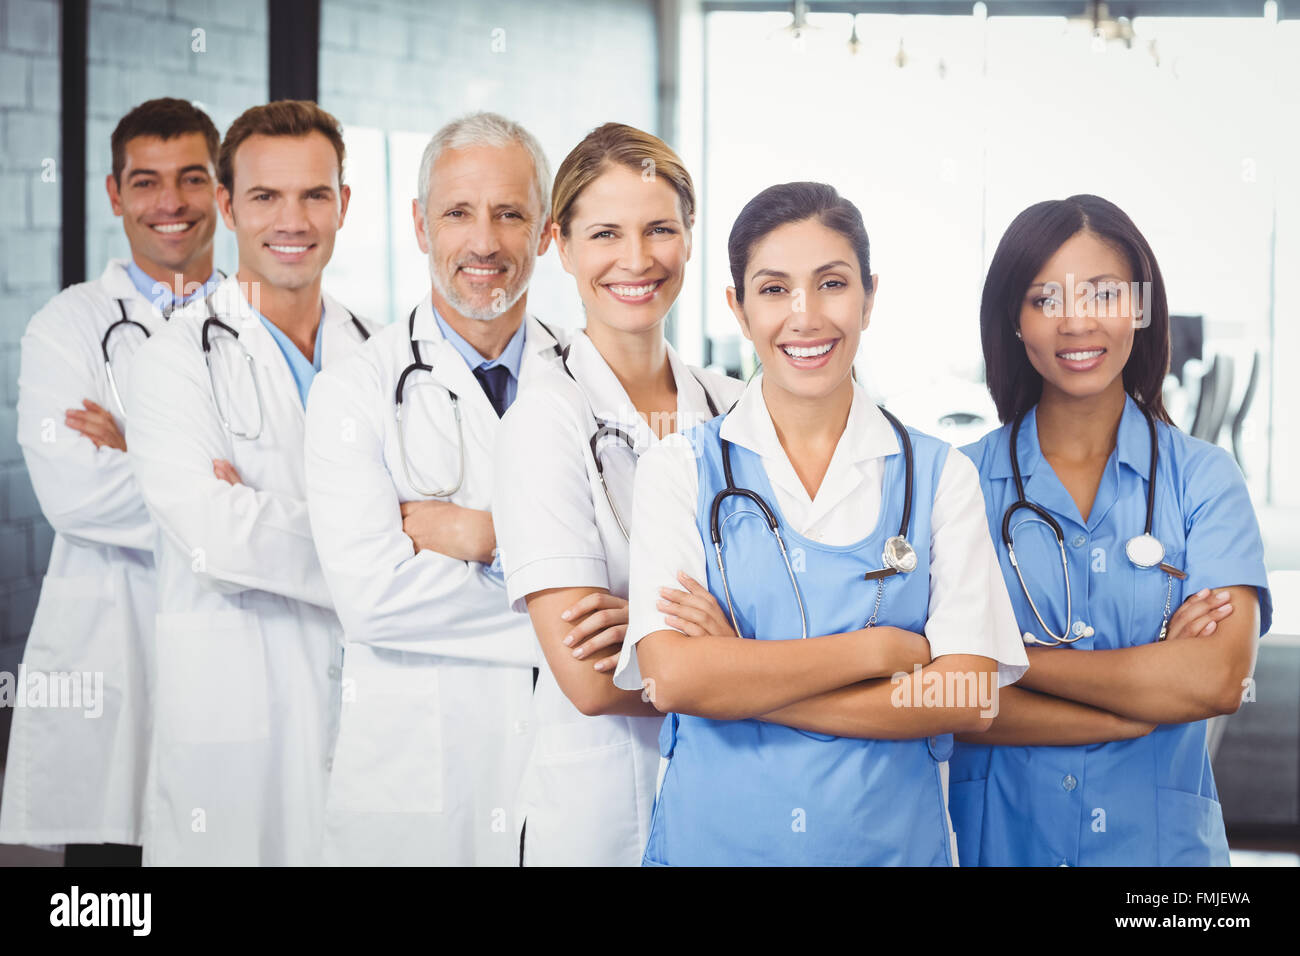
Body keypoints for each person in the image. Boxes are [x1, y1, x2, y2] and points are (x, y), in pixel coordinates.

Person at [620, 182, 1028, 866]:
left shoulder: (938, 477)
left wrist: (742, 681)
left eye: (831, 284)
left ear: (869, 297)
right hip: (715, 848)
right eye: (774, 289)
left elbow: (967, 694)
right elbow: (676, 680)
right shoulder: (678, 470)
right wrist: (874, 654)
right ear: (738, 310)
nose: (804, 317)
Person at [948, 194, 1272, 867]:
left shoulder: (1204, 481)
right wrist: (1146, 693)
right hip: (1003, 846)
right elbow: (951, 698)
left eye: (1102, 294)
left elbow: (1215, 680)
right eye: (1045, 299)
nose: (1077, 323)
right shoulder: (959, 486)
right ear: (1013, 319)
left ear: (1141, 308)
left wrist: (1015, 663)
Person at [304, 112, 566, 866]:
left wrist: (483, 539)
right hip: (422, 780)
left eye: (510, 213)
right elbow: (374, 600)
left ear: (546, 231)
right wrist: (561, 604)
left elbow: (629, 577)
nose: (484, 243)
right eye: (459, 212)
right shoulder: (354, 392)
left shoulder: (589, 381)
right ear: (421, 225)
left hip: (568, 767)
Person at [125, 101, 375, 866]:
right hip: (238, 715)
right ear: (229, 207)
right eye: (266, 197)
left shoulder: (383, 357)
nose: (292, 220)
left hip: (368, 708)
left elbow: (457, 521)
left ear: (343, 205)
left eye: (314, 195)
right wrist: (386, 537)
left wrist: (267, 512)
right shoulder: (174, 360)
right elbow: (219, 539)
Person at [491, 123, 743, 866]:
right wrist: (744, 661)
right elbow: (589, 681)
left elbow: (804, 606)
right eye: (605, 233)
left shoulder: (731, 409)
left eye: (660, 228)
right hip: (606, 807)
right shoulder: (544, 418)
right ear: (559, 246)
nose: (636, 260)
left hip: (732, 793)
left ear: (690, 238)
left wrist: (664, 638)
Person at [1, 98, 224, 867]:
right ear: (114, 194)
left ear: (220, 190)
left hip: (240, 660)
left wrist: (138, 449)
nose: (171, 204)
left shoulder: (257, 322)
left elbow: (300, 490)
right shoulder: (67, 328)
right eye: (147, 182)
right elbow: (75, 497)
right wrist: (213, 479)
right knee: (113, 888)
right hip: (114, 654)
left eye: (192, 179)